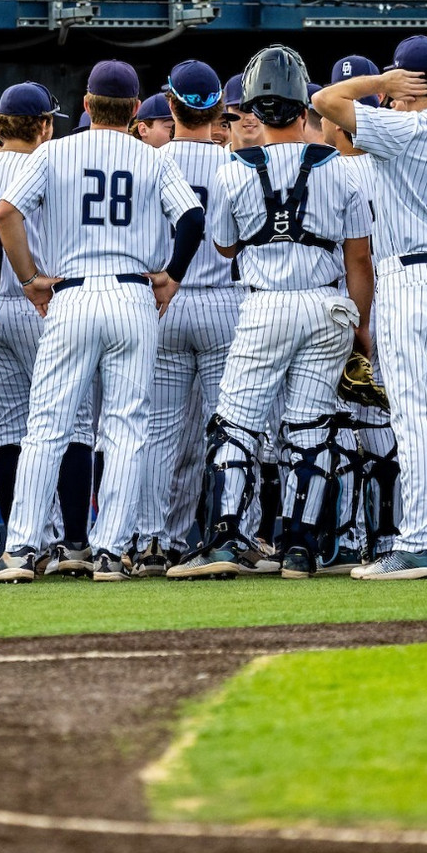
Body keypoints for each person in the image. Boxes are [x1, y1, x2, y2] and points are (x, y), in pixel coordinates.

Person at [0, 60, 207, 583]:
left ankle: (20, 549)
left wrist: (29, 277)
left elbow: (6, 213)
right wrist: (172, 275)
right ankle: (108, 550)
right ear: (134, 110)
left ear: (86, 104)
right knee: (124, 428)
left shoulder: (54, 151)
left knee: (46, 425)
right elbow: (192, 217)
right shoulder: (151, 157)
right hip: (132, 294)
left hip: (72, 294)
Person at [172, 47, 371, 579]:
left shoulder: (231, 170)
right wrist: (362, 325)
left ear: (254, 112)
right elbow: (359, 258)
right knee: (311, 427)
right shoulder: (344, 170)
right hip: (327, 305)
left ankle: (224, 540)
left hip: (264, 304)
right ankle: (300, 548)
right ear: (305, 110)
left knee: (236, 422)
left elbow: (225, 247)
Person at [312, 35, 427, 580]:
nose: (387, 97)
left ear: (410, 84)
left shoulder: (408, 127)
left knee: (413, 416)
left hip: (409, 277)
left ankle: (414, 543)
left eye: (395, 85)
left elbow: (325, 101)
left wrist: (376, 82)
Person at [0, 82, 99, 574]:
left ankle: (22, 541)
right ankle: (74, 542)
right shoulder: (56, 161)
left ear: (0, 124)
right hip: (49, 300)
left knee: (9, 430)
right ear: (44, 125)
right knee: (73, 423)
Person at [139, 60, 238, 574]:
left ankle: (155, 539)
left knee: (159, 432)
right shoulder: (237, 163)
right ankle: (228, 535)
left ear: (171, 105)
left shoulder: (149, 161)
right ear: (218, 109)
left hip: (163, 300)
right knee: (228, 428)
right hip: (223, 303)